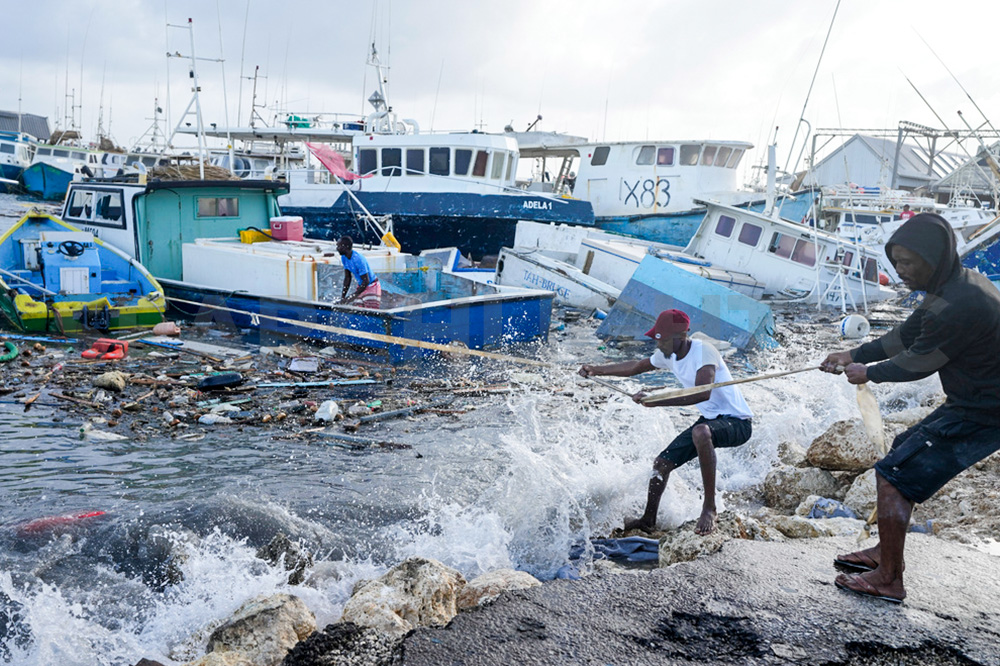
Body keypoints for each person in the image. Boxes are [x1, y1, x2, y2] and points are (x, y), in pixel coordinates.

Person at [820, 212, 1000, 604]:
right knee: (903, 447)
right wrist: (852, 352)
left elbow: (919, 361)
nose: (899, 270)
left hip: (986, 412)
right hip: (974, 401)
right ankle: (886, 554)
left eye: (906, 262)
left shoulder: (960, 303)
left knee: (894, 473)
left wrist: (867, 372)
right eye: (895, 261)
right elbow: (907, 335)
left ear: (933, 258)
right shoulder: (952, 287)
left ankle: (889, 578)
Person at [578, 309, 753, 535]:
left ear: (681, 337)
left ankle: (709, 508)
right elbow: (635, 367)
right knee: (661, 464)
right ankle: (648, 520)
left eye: (662, 340)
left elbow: (702, 393)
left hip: (737, 422)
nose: (658, 346)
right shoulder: (667, 354)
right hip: (710, 421)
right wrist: (597, 370)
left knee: (700, 432)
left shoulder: (704, 352)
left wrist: (656, 401)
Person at [337, 236, 381, 309]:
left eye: (339, 246)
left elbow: (366, 281)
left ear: (346, 247)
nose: (337, 248)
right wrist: (343, 297)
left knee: (370, 311)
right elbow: (347, 278)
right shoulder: (344, 257)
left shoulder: (358, 259)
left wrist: (353, 296)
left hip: (371, 285)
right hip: (361, 286)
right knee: (356, 310)